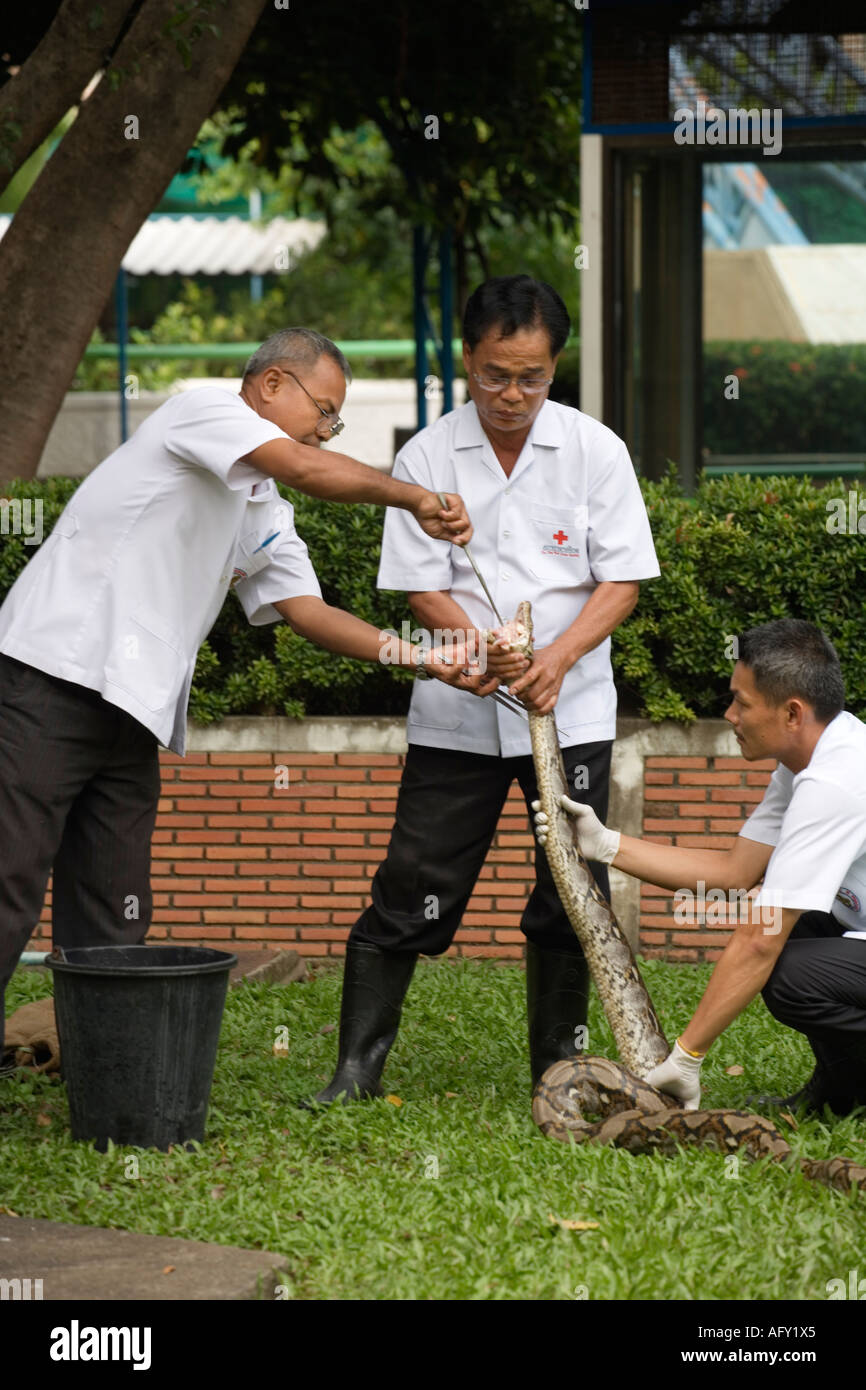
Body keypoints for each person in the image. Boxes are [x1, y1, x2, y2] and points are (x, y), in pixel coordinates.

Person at [0, 328, 475, 1063]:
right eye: (325, 412)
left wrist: (423, 658)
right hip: (50, 678)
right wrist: (413, 496)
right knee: (9, 884)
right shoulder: (201, 415)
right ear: (273, 384)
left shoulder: (263, 506)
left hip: (132, 714)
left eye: (333, 422)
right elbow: (308, 467)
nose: (324, 431)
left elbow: (308, 611)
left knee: (114, 911)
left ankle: (105, 1083)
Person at [309, 275, 660, 1105]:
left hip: (567, 711)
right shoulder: (427, 455)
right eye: (496, 374)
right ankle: (356, 1071)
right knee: (412, 883)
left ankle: (558, 1073)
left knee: (570, 890)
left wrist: (559, 656)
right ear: (467, 359)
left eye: (532, 376)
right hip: (457, 713)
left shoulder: (594, 450)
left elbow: (622, 581)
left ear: (554, 366)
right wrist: (481, 646)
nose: (512, 394)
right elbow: (416, 583)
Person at [535, 618, 866, 1116]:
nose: (730, 714)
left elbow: (759, 941)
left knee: (790, 971)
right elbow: (735, 872)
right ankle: (844, 1094)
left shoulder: (835, 782)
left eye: (742, 702)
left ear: (792, 712)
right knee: (799, 929)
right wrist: (603, 844)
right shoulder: (807, 758)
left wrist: (686, 1057)